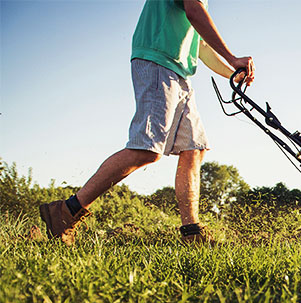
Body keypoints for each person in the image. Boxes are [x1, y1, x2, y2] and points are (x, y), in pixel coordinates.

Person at [38, 0, 254, 244]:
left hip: (180, 73)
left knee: (193, 149)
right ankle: (66, 212)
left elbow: (200, 43)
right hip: (158, 62)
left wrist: (232, 73)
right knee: (147, 149)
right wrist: (233, 57)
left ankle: (192, 233)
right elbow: (194, 11)